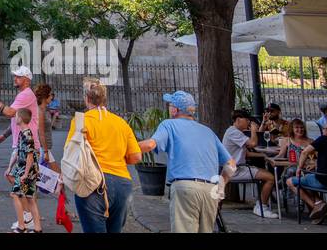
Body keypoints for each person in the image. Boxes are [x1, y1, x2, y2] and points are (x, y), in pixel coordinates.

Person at [137, 91, 233, 233]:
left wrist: (124, 147)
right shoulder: (208, 131)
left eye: (170, 105)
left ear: (175, 110)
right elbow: (231, 164)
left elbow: (151, 145)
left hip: (185, 188)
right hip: (210, 190)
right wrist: (221, 185)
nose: (168, 108)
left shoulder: (169, 124)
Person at [65, 81, 141, 233]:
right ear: (105, 99)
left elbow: (71, 152)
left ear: (86, 98)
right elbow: (136, 157)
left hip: (93, 184)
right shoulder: (121, 123)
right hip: (122, 184)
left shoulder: (81, 121)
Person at [0, 67, 41, 232]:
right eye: (15, 76)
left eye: (18, 77)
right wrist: (4, 136)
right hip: (21, 145)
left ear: (27, 79)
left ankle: (27, 219)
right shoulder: (23, 95)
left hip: (27, 146)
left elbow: (10, 113)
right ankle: (28, 218)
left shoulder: (26, 94)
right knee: (14, 179)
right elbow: (16, 120)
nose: (15, 79)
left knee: (19, 186)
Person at [287, 116, 327, 223]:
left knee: (290, 181)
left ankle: (317, 207)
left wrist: (299, 169)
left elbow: (305, 152)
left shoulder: (323, 139)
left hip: (324, 181)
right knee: (307, 179)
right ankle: (319, 205)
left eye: (324, 128)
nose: (323, 130)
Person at [222, 109, 279, 219]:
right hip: (234, 170)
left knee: (266, 175)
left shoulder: (235, 132)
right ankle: (261, 207)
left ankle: (261, 204)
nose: (249, 123)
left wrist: (265, 156)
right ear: (238, 120)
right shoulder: (233, 132)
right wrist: (253, 130)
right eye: (247, 120)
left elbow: (246, 153)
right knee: (270, 177)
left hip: (237, 168)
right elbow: (253, 144)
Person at [7, 107, 41, 232]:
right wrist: (10, 167)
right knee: (30, 199)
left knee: (15, 194)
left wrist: (25, 174)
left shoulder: (27, 134)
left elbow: (30, 156)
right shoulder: (23, 133)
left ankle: (22, 226)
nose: (15, 118)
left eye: (16, 116)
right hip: (24, 170)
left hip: (26, 171)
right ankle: (38, 228)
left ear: (20, 119)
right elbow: (18, 152)